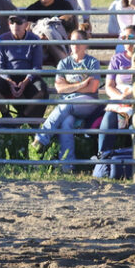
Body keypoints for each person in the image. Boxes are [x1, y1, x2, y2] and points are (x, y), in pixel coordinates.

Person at [32, 26, 101, 171]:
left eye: (79, 41)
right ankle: (67, 165)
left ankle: (42, 138)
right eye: (72, 41)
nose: (75, 44)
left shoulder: (92, 62)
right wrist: (82, 83)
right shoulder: (64, 63)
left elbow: (92, 88)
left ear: (85, 44)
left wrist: (70, 86)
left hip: (88, 102)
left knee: (65, 105)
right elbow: (59, 88)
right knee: (66, 122)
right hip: (69, 103)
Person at [0, 14, 48, 119]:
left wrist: (26, 81)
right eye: (12, 22)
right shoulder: (2, 39)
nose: (15, 25)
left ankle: (22, 117)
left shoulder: (35, 40)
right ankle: (6, 115)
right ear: (9, 24)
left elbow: (36, 66)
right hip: (8, 75)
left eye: (19, 22)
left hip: (28, 76)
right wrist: (9, 80)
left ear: (26, 25)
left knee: (41, 90)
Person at [98, 25, 135, 155]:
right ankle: (103, 158)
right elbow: (109, 86)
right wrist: (121, 97)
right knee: (108, 119)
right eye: (123, 37)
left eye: (131, 37)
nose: (127, 41)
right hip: (120, 100)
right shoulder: (117, 59)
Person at [26, 0, 76, 65]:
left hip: (62, 44)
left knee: (50, 40)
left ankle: (67, 69)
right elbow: (26, 31)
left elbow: (74, 27)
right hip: (39, 47)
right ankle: (68, 69)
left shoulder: (64, 6)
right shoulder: (32, 9)